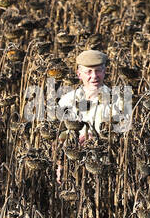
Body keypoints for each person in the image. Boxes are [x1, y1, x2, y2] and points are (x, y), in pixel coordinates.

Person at [53, 49, 129, 181]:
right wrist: (60, 164)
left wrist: (97, 138)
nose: (94, 76)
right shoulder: (67, 101)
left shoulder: (118, 101)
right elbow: (58, 137)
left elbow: (126, 138)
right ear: (79, 74)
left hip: (108, 169)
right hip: (74, 169)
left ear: (105, 72)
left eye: (98, 70)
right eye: (88, 71)